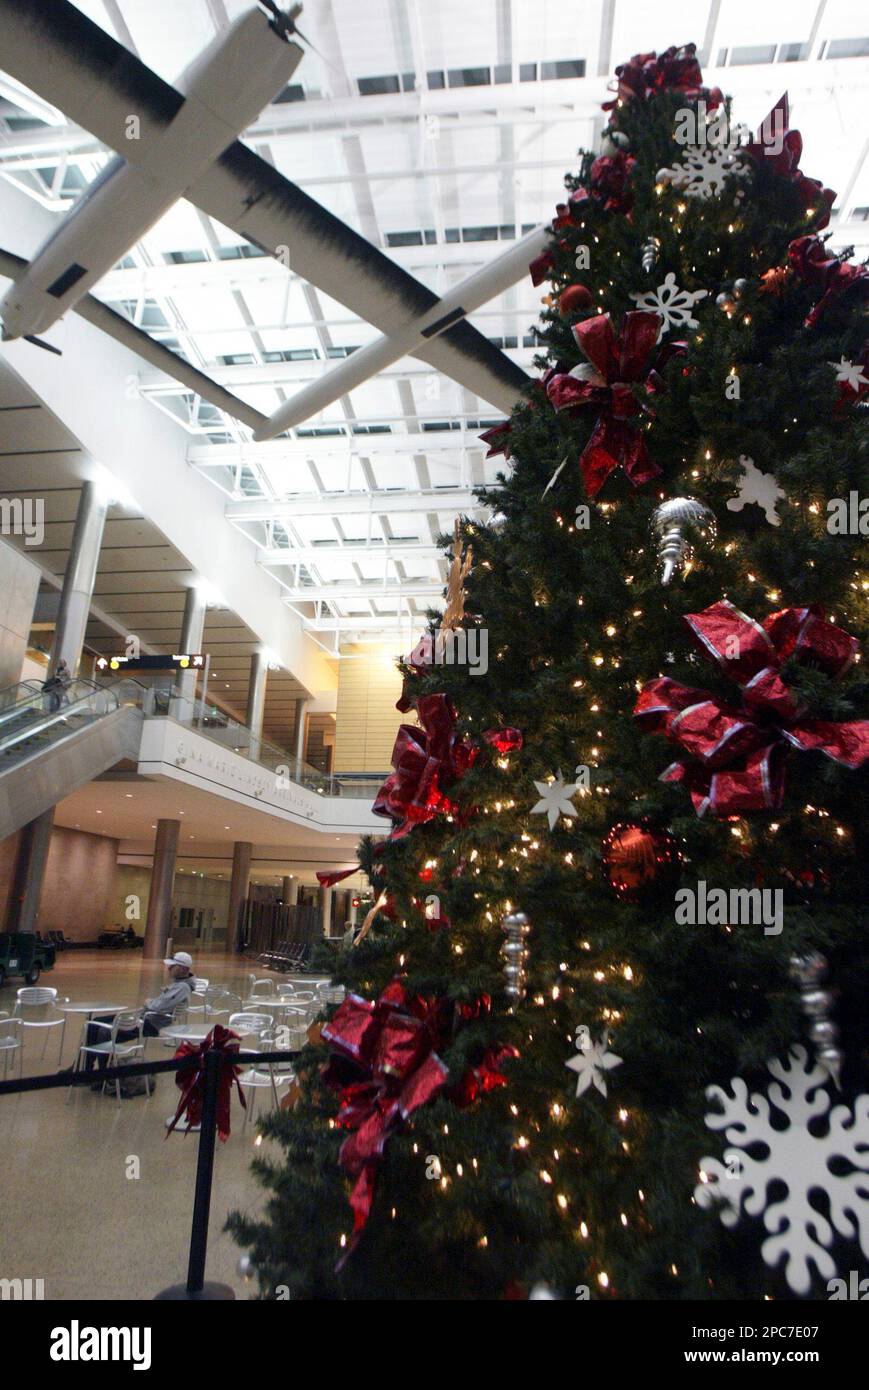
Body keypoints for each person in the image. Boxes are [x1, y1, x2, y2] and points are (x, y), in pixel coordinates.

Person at [79, 952, 196, 1082]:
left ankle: (98, 1075)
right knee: (94, 1023)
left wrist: (148, 1002)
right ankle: (84, 1068)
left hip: (149, 1023)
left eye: (173, 966)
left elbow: (157, 1007)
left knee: (104, 1031)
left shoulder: (182, 987)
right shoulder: (179, 985)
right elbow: (162, 1004)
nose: (169, 969)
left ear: (184, 969)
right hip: (145, 1018)